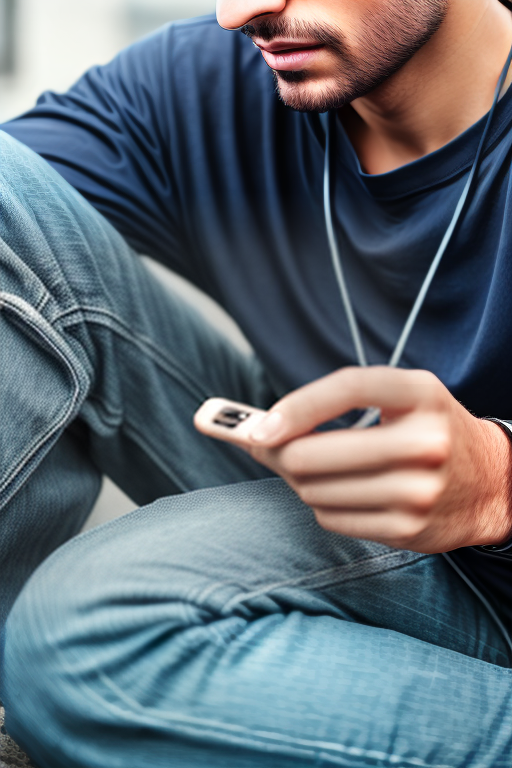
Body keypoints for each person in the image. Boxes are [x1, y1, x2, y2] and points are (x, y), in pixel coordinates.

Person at [1, 0, 512, 764]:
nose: (239, 12)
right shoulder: (218, 81)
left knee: (89, 629)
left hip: (496, 595)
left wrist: (498, 484)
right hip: (320, 491)